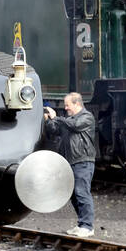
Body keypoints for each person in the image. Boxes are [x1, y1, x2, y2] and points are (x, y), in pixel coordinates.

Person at [44, 92, 96, 237]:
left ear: (77, 103)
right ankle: (81, 224)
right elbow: (55, 131)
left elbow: (75, 125)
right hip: (69, 162)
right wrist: (49, 121)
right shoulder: (68, 120)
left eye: (68, 105)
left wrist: (56, 118)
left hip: (82, 161)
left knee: (82, 193)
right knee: (73, 194)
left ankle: (88, 226)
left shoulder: (86, 117)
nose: (66, 108)